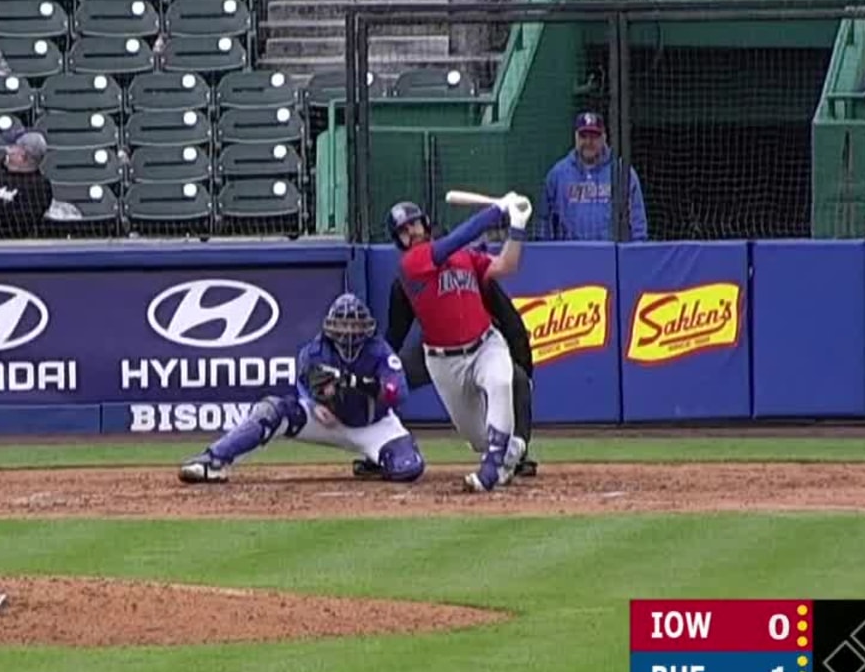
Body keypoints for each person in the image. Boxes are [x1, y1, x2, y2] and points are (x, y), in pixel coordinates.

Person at [178, 292, 425, 485]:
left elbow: (398, 392)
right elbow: (303, 382)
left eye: (354, 326)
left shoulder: (379, 351)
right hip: (328, 420)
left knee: (408, 469)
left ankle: (376, 460)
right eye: (343, 326)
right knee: (271, 411)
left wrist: (362, 384)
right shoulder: (316, 351)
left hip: (373, 423)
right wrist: (315, 404)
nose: (348, 333)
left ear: (367, 327)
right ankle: (214, 459)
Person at [393, 193, 528, 493]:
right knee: (478, 437)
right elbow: (458, 238)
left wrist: (517, 227)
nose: (411, 233)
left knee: (500, 381)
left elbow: (506, 265)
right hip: (444, 361)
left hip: (484, 345)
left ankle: (491, 470)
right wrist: (496, 211)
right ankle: (510, 449)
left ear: (426, 225)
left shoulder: (465, 257)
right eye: (403, 230)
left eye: (414, 225)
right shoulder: (411, 265)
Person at [540, 112, 647, 242]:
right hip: (569, 256)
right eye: (583, 136)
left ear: (604, 138)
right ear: (575, 137)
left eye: (594, 136)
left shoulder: (622, 173)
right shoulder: (557, 175)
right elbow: (545, 224)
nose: (588, 142)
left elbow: (638, 225)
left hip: (611, 257)